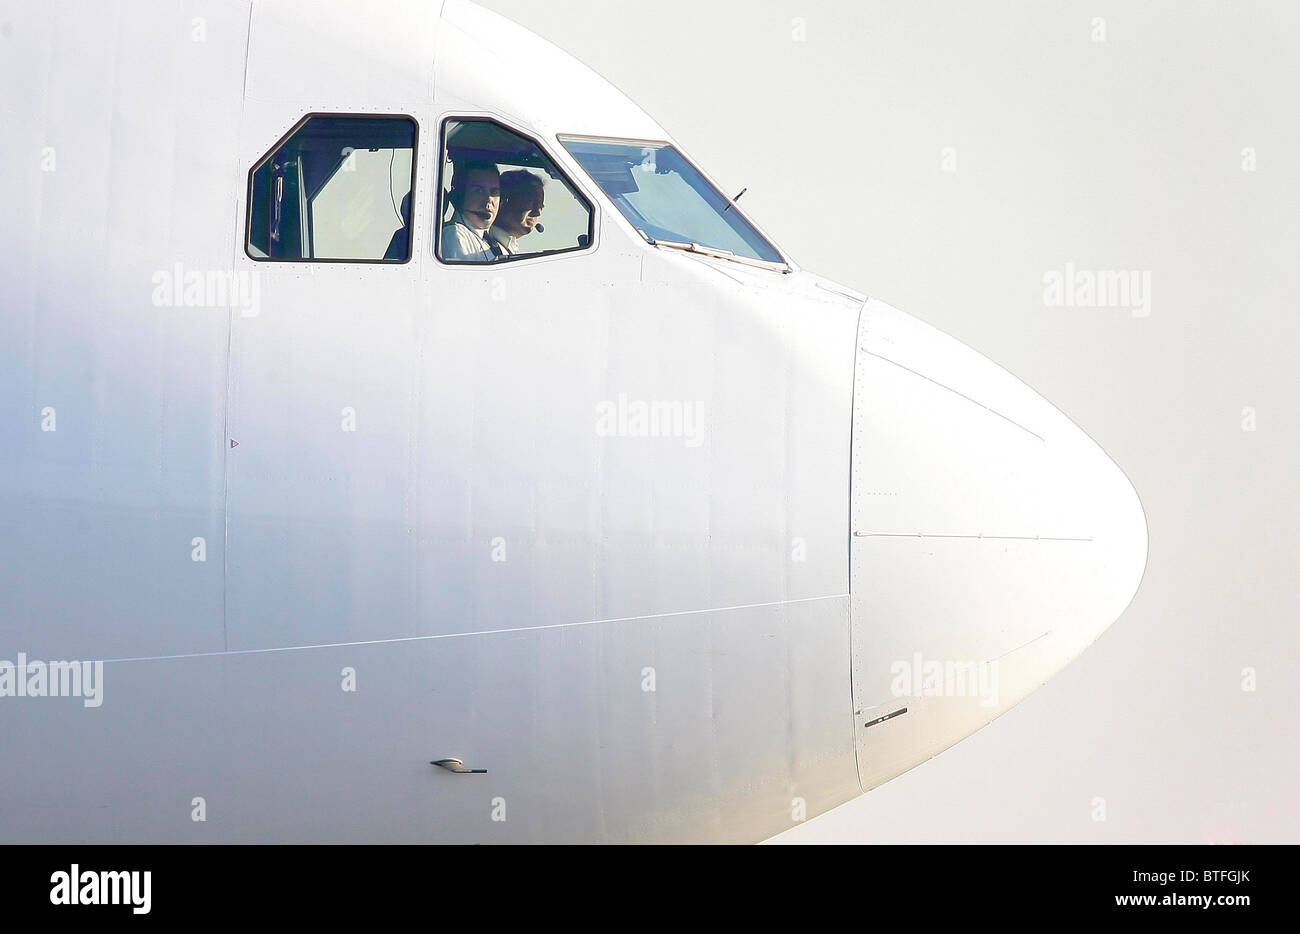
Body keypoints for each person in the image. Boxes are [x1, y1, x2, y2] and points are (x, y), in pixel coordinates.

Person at [441, 160, 501, 262]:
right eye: (479, 191)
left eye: (494, 192)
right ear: (460, 195)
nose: (489, 199)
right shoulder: (454, 235)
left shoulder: (490, 241)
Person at [488, 170, 545, 257]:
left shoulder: (509, 247)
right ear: (503, 201)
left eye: (541, 205)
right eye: (531, 203)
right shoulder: (475, 244)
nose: (538, 212)